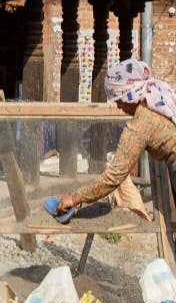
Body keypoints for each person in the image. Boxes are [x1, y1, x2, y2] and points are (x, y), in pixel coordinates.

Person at [58, 58, 176, 214]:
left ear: (131, 93)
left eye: (120, 99)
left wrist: (75, 198)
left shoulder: (142, 122)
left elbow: (114, 176)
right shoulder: (160, 100)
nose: (119, 106)